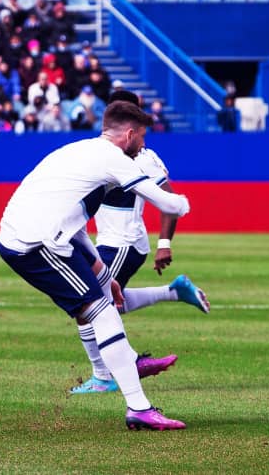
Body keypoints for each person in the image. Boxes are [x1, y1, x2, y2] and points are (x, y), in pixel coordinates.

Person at [0, 100, 192, 430]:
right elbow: (168, 202)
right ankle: (138, 405)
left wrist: (101, 271)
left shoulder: (82, 151)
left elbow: (72, 220)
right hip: (34, 243)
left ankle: (127, 364)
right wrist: (184, 202)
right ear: (129, 134)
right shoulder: (115, 159)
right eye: (142, 138)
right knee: (100, 310)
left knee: (103, 296)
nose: (143, 145)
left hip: (41, 233)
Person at [71, 90, 210, 395]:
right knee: (98, 306)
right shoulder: (101, 153)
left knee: (91, 306)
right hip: (106, 242)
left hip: (124, 244)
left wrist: (164, 243)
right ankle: (174, 292)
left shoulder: (144, 158)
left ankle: (104, 376)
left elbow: (171, 200)